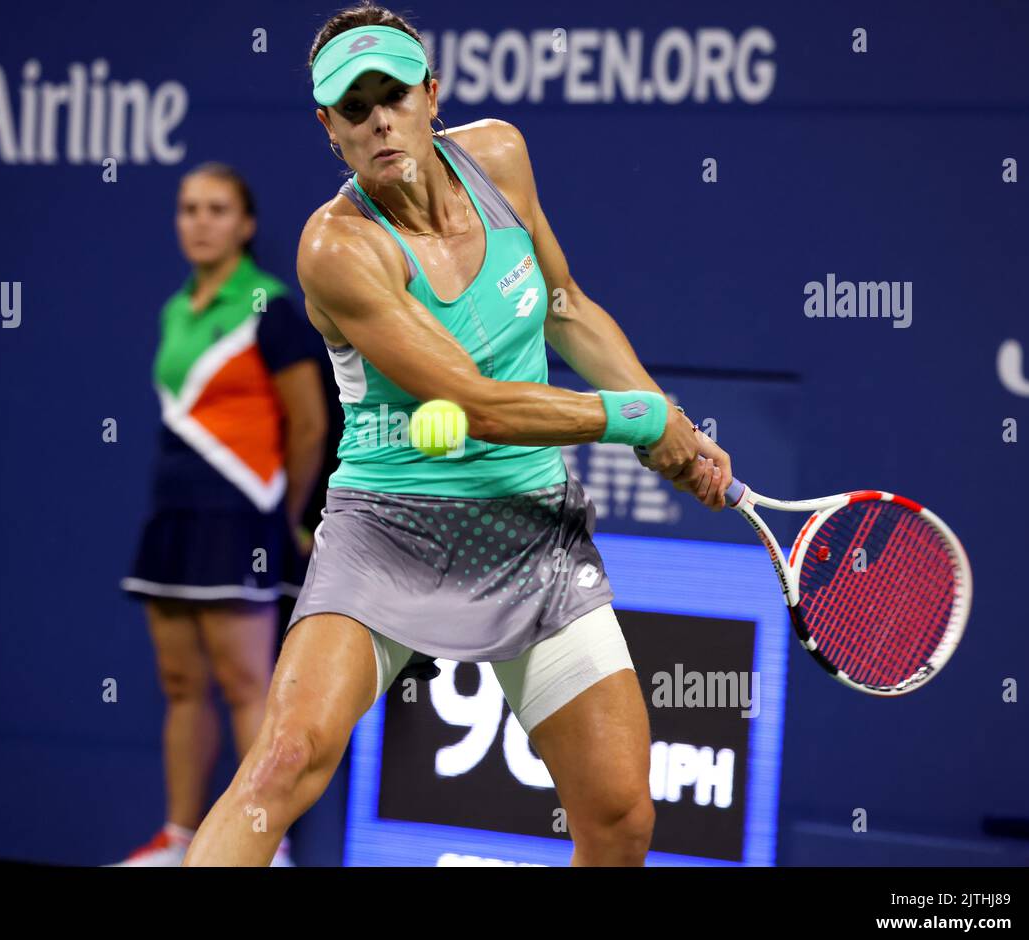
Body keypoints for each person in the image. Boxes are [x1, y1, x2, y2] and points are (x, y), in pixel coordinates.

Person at [184, 2, 733, 867]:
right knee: (286, 758)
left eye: (393, 95)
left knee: (622, 814)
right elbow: (482, 403)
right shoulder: (337, 247)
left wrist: (678, 428)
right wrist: (638, 419)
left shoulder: (501, 159)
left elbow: (565, 306)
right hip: (388, 531)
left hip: (531, 530)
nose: (378, 120)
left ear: (432, 94)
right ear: (330, 130)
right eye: (352, 108)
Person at [115, 162, 329, 866]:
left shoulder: (269, 307)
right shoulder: (175, 309)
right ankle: (178, 841)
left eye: (216, 209)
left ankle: (267, 847)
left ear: (246, 225)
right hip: (172, 520)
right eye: (188, 208)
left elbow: (307, 424)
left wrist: (283, 516)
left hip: (241, 525)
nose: (199, 221)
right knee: (181, 685)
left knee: (248, 688)